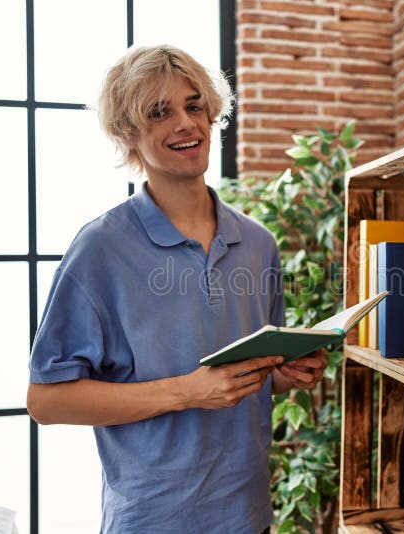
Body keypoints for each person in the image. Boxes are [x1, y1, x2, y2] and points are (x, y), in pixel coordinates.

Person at [27, 44, 328, 533]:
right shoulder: (100, 249)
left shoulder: (257, 244)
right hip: (151, 519)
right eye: (159, 112)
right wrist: (187, 392)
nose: (186, 123)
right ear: (129, 134)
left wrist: (288, 372)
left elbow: (250, 375)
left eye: (194, 105)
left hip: (248, 516)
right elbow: (47, 401)